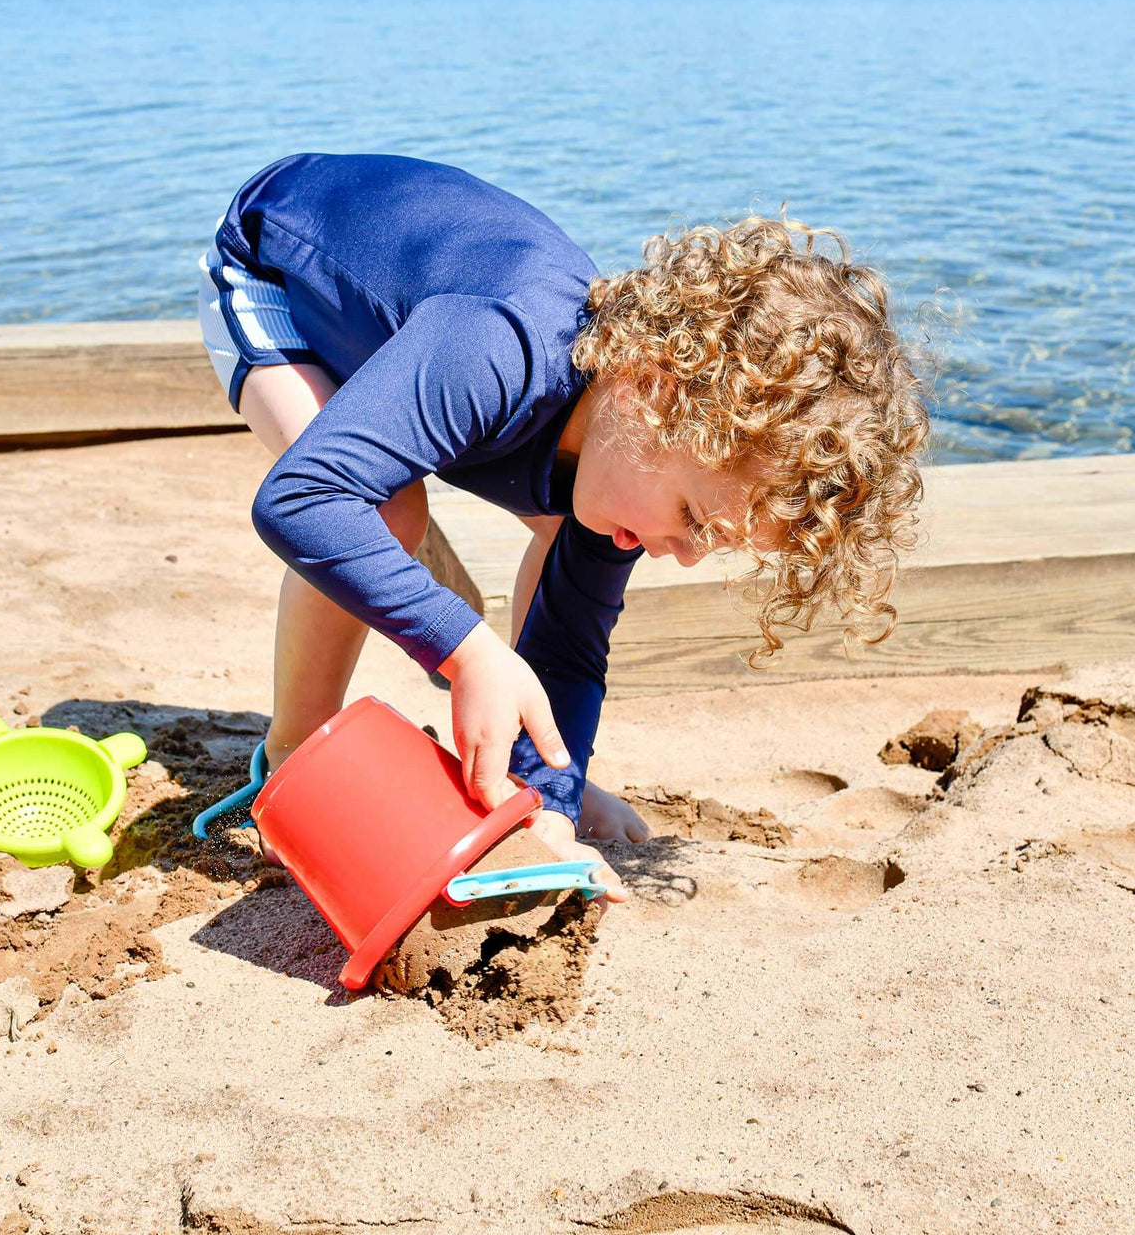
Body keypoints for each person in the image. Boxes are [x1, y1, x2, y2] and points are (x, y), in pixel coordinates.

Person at [197, 153, 928, 901]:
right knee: (389, 508)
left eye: (712, 541)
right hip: (279, 269)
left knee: (562, 538)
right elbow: (302, 499)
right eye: (692, 518)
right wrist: (467, 650)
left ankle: (525, 779)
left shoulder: (634, 451)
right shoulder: (500, 347)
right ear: (650, 388)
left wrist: (549, 805)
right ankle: (290, 753)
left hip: (414, 339)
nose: (682, 556)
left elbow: (571, 648)